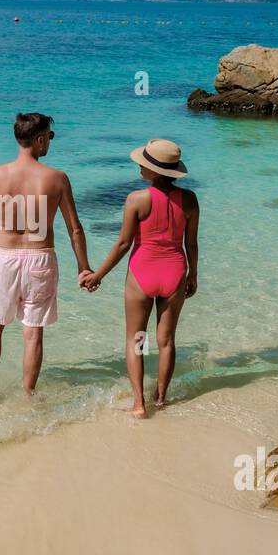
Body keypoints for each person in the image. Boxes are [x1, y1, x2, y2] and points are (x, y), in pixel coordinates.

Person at [0, 113, 92, 399]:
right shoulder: (57, 178)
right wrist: (83, 267)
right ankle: (28, 396)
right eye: (50, 136)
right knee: (33, 332)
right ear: (38, 140)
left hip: (4, 257)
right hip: (40, 259)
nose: (51, 141)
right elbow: (75, 229)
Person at [79, 139, 199, 418]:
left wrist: (98, 275)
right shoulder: (190, 200)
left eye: (144, 164)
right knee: (166, 341)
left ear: (156, 171)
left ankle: (138, 404)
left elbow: (123, 244)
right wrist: (193, 274)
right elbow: (191, 244)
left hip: (142, 273)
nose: (139, 166)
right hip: (174, 272)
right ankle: (160, 399)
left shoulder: (136, 200)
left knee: (136, 340)